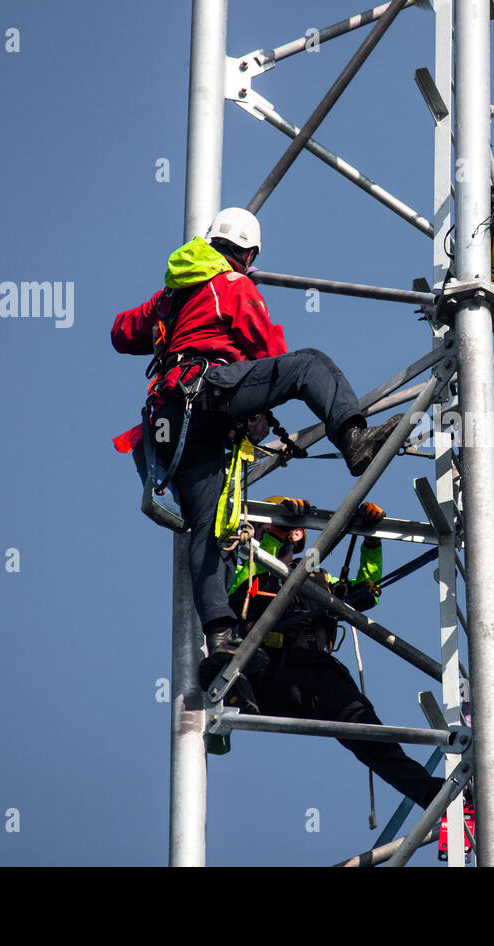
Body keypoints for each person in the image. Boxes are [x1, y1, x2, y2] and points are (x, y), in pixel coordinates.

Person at [111, 208, 402, 711]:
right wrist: (260, 407)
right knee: (309, 363)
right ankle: (353, 438)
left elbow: (121, 333)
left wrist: (165, 314)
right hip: (209, 395)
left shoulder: (172, 295)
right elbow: (272, 351)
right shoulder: (232, 285)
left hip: (169, 421)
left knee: (209, 531)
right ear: (248, 255)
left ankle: (221, 641)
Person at [225, 498, 448, 810]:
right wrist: (277, 529)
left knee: (371, 737)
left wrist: (370, 540)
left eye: (269, 529)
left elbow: (366, 591)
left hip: (316, 675)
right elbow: (257, 575)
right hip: (268, 672)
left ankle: (433, 796)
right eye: (264, 529)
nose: (263, 534)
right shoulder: (241, 572)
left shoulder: (319, 580)